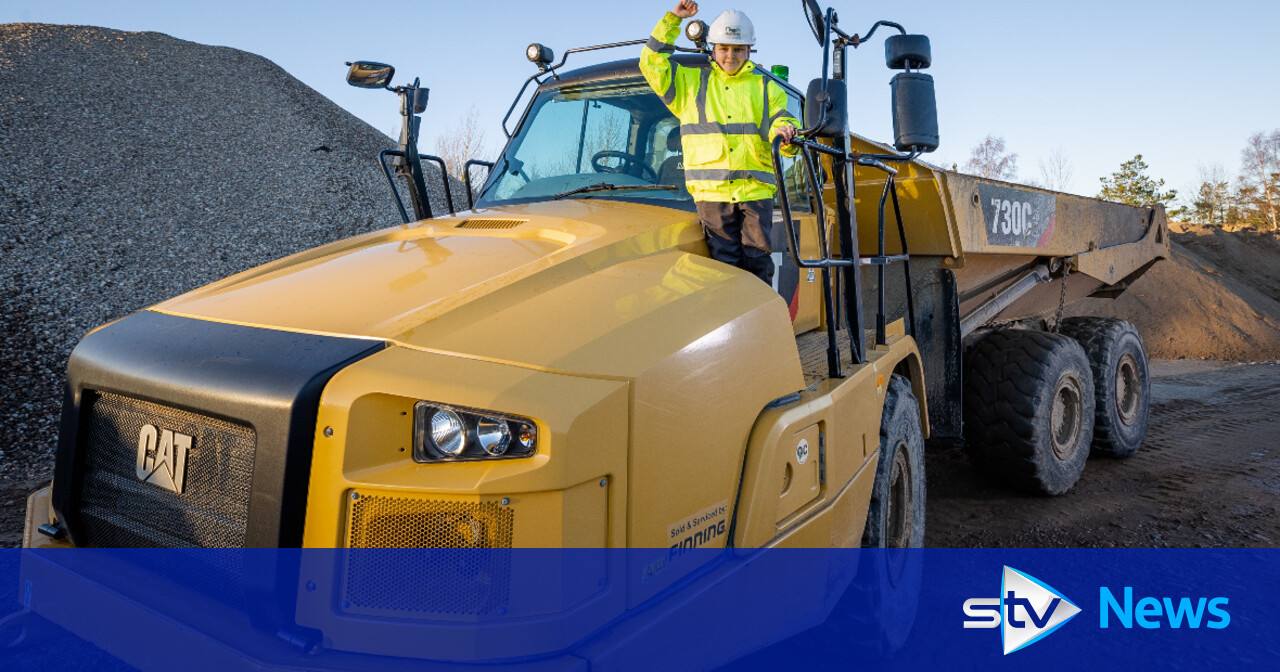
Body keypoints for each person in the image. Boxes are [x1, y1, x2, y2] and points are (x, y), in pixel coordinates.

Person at [640, 1, 800, 286]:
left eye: (738, 49)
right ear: (713, 48)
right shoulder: (688, 85)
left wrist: (787, 135)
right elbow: (651, 64)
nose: (730, 55)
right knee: (724, 269)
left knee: (758, 264)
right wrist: (672, 19)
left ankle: (760, 326)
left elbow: (782, 123)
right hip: (712, 196)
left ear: (749, 50)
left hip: (755, 193)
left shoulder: (767, 87)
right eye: (724, 48)